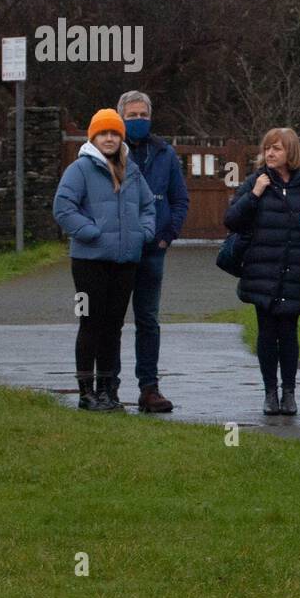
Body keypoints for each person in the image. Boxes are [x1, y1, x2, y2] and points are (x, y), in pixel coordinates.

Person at [52, 109, 155, 412]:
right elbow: (63, 207)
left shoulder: (132, 171)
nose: (109, 138)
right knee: (89, 323)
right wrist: (90, 232)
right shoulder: (80, 169)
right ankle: (86, 393)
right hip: (88, 263)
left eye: (114, 133)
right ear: (93, 137)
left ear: (121, 137)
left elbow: (148, 206)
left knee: (113, 326)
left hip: (125, 263)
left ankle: (108, 390)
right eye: (103, 133)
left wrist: (142, 233)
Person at [224, 128, 300, 417]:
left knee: (289, 333)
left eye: (277, 148)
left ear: (291, 152)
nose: (270, 154)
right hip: (262, 270)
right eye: (267, 148)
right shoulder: (255, 182)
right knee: (266, 333)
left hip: (295, 269)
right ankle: (269, 392)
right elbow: (232, 220)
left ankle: (289, 393)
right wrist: (254, 194)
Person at [114, 90, 188, 414]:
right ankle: (108, 387)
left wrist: (167, 236)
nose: (139, 121)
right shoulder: (109, 152)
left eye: (144, 115)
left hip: (152, 251)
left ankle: (149, 388)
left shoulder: (164, 153)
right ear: (120, 119)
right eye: (132, 116)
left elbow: (179, 199)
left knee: (148, 320)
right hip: (115, 252)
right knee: (110, 320)